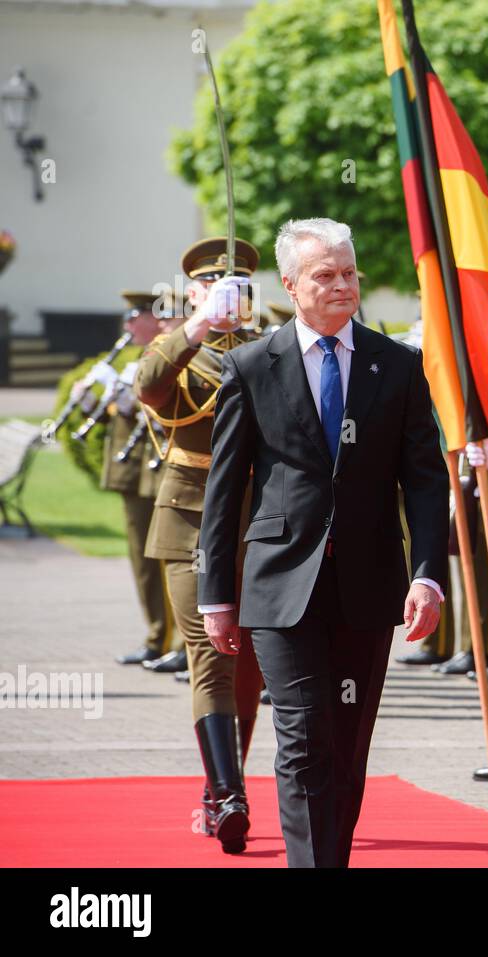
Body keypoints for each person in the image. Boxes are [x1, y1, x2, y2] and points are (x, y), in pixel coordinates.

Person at [196, 217, 449, 868]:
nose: (342, 285)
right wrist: (215, 595)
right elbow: (224, 492)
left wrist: (427, 573)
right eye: (325, 275)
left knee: (346, 742)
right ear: (290, 283)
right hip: (281, 585)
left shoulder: (396, 365)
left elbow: (424, 482)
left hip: (367, 584)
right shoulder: (251, 365)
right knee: (303, 735)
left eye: (349, 272)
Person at [135, 237, 265, 854]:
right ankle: (229, 792)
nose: (228, 294)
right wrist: (198, 324)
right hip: (191, 516)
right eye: (214, 285)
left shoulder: (273, 344)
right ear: (193, 290)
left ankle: (222, 785)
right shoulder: (181, 345)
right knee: (211, 650)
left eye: (236, 286)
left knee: (251, 668)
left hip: (260, 520)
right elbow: (150, 386)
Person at [109, 290, 178, 668]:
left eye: (137, 315)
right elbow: (114, 417)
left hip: (163, 470)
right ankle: (158, 636)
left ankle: (179, 643)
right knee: (143, 561)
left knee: (173, 561)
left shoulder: (170, 357)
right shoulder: (137, 358)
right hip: (135, 472)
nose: (129, 323)